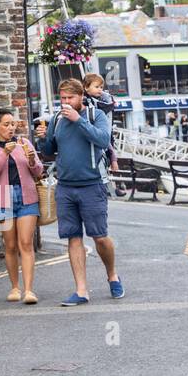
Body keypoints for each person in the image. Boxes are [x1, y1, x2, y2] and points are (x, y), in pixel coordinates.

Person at [34, 78, 122, 305]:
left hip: (92, 185)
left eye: (69, 98)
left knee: (100, 237)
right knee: (73, 237)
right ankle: (82, 290)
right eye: (62, 98)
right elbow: (49, 153)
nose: (65, 102)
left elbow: (103, 140)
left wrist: (79, 121)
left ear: (81, 96)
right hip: (65, 186)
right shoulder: (57, 119)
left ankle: (112, 274)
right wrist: (43, 139)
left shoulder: (96, 116)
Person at [0, 109, 44, 304]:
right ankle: (14, 287)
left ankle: (29, 290)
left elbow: (39, 170)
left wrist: (33, 160)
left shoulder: (24, 143)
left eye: (12, 124)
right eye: (6, 124)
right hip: (2, 198)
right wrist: (4, 154)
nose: (11, 128)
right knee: (10, 245)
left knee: (26, 243)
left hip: (27, 196)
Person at [81, 72, 120, 193]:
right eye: (96, 87)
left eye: (101, 87)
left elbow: (108, 132)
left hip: (104, 139)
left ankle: (108, 187)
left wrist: (113, 159)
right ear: (86, 87)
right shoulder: (85, 103)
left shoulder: (105, 104)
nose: (100, 90)